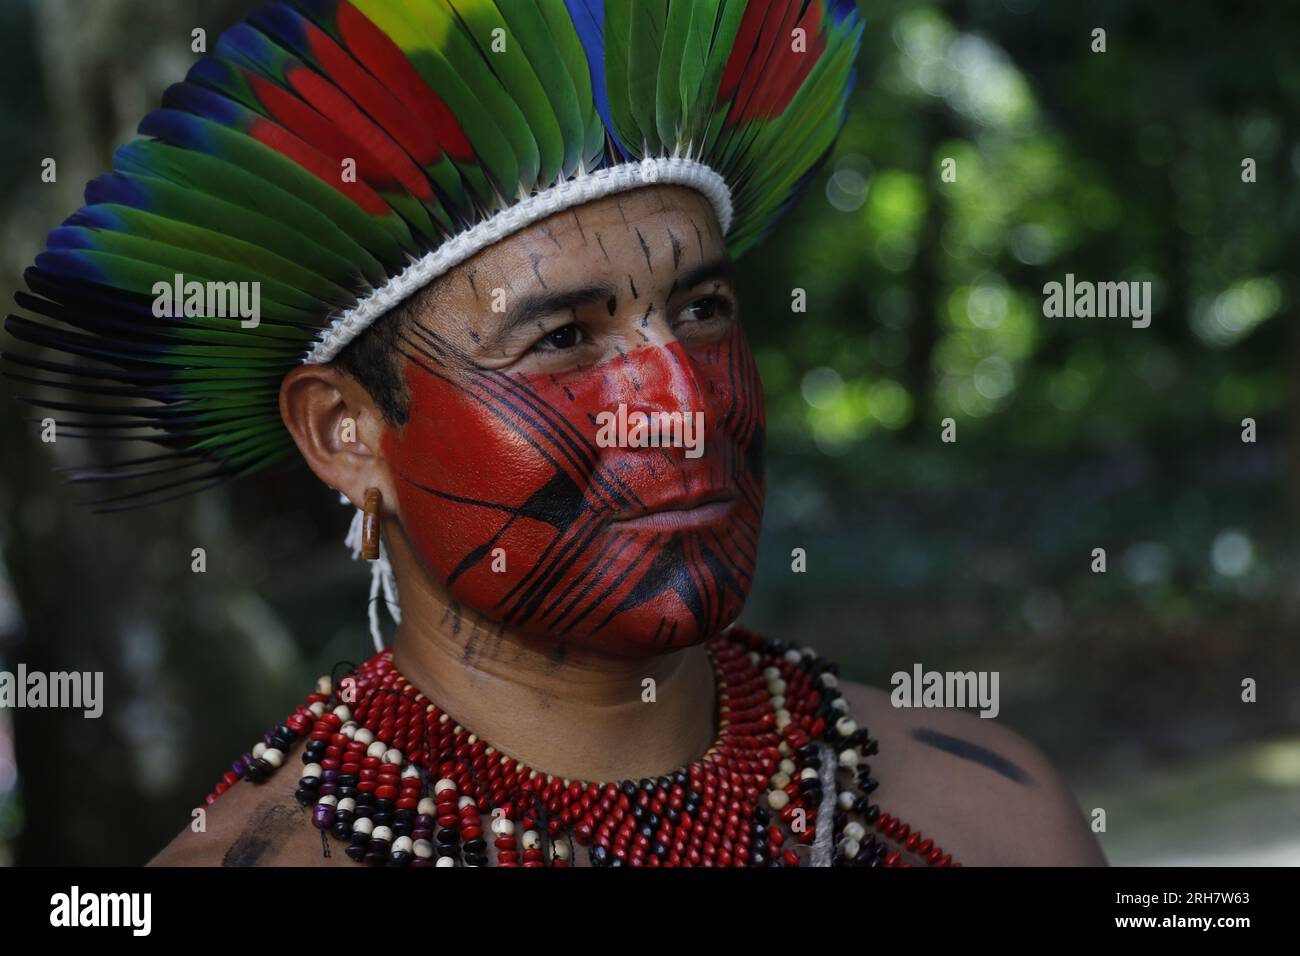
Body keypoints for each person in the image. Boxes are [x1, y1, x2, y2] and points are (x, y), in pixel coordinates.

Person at [5, 0, 1103, 867]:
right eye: (563, 336)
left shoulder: (990, 812)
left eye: (704, 310)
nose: (682, 406)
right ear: (347, 433)